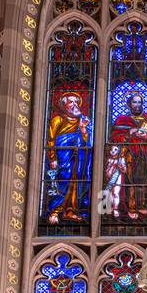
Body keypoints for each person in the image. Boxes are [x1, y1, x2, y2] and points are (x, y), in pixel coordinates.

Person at [45, 90, 93, 224]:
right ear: (63, 105)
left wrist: (83, 130)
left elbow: (86, 141)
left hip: (78, 160)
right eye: (70, 102)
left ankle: (71, 210)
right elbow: (51, 139)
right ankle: (55, 210)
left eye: (76, 102)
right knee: (62, 182)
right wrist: (52, 158)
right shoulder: (58, 119)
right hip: (62, 159)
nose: (74, 104)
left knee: (76, 184)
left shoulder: (83, 121)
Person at [106, 89, 147, 222]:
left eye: (140, 102)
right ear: (129, 104)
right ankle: (129, 206)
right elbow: (114, 137)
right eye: (134, 102)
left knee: (143, 180)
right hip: (129, 155)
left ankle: (143, 205)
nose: (137, 105)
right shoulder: (122, 119)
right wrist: (130, 133)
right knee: (129, 180)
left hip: (145, 154)